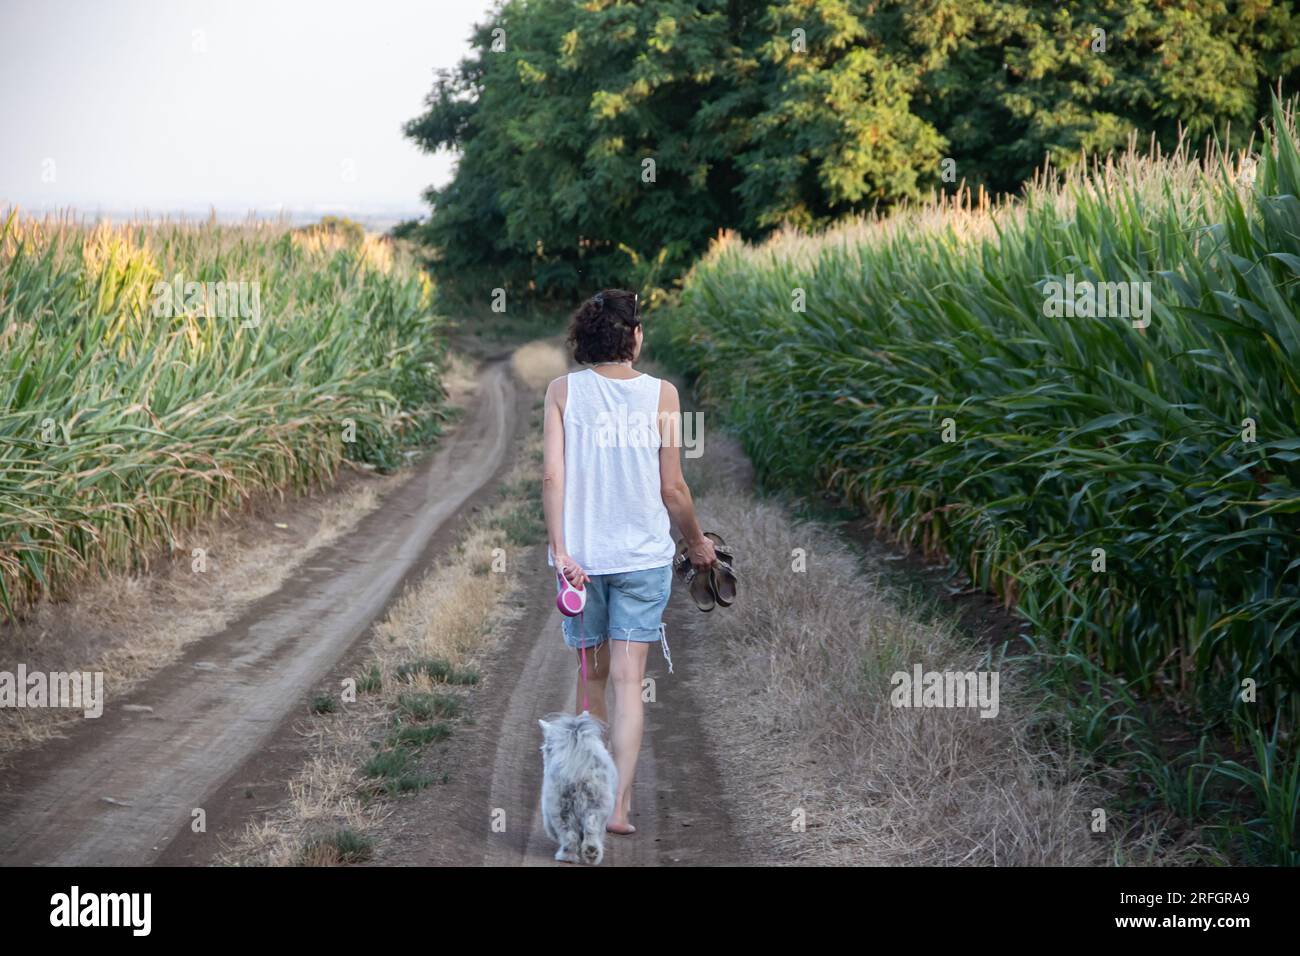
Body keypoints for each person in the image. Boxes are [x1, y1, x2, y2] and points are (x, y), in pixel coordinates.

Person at [542, 288, 717, 835]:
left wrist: (562, 552)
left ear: (586, 336)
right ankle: (618, 809)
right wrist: (697, 545)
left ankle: (587, 809)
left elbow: (552, 477)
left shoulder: (562, 391)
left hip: (583, 563)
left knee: (590, 681)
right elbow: (674, 488)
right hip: (642, 560)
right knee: (627, 681)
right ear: (633, 335)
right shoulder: (662, 395)